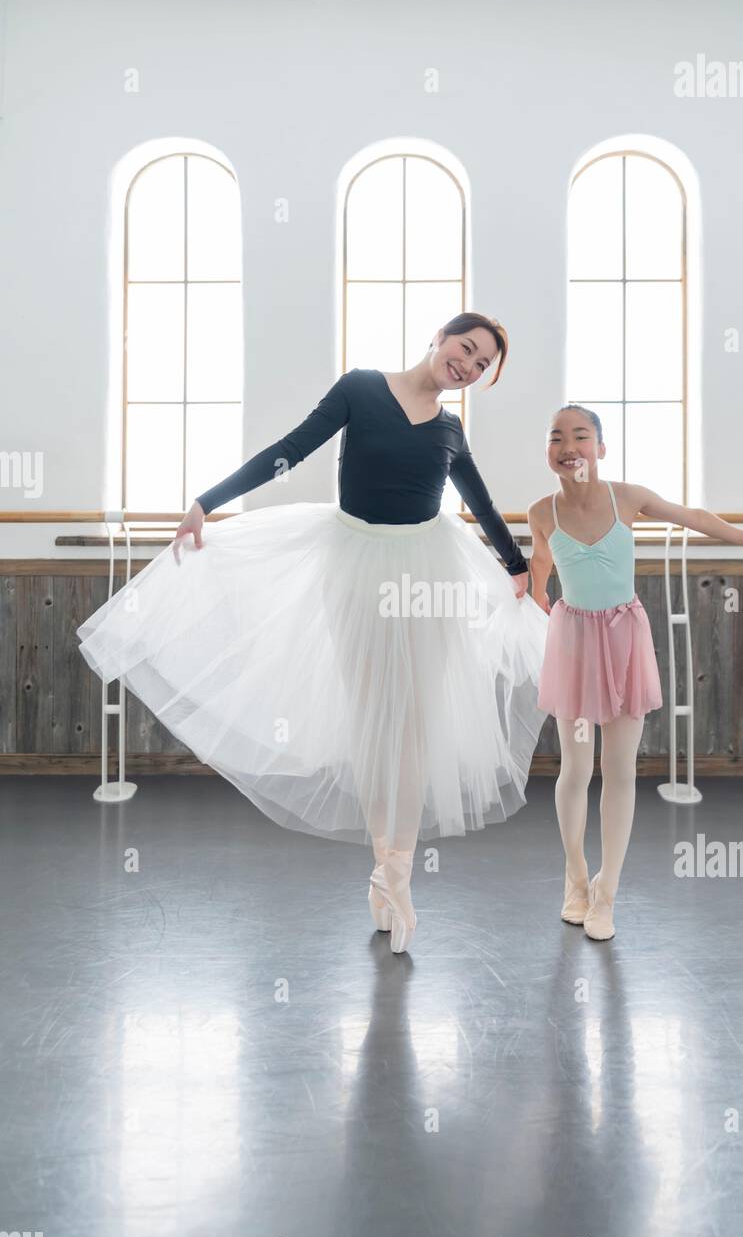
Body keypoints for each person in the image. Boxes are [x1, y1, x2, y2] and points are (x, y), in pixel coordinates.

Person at [76, 313, 549, 954]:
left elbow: (483, 504)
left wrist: (519, 570)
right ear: (439, 338)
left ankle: (398, 874)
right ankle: (386, 865)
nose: (467, 366)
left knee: (412, 726)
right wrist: (205, 502)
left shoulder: (449, 429)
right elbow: (289, 450)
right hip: (352, 568)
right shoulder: (360, 388)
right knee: (372, 722)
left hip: (427, 577)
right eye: (465, 349)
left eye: (481, 365)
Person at [529, 403, 743, 941]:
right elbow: (540, 573)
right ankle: (574, 878)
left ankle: (607, 892)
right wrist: (531, 602)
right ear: (548, 450)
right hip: (572, 642)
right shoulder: (541, 512)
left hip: (623, 640)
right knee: (575, 769)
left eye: (580, 435)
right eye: (557, 437)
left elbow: (691, 515)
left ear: (600, 447)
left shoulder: (630, 498)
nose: (568, 446)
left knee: (619, 768)